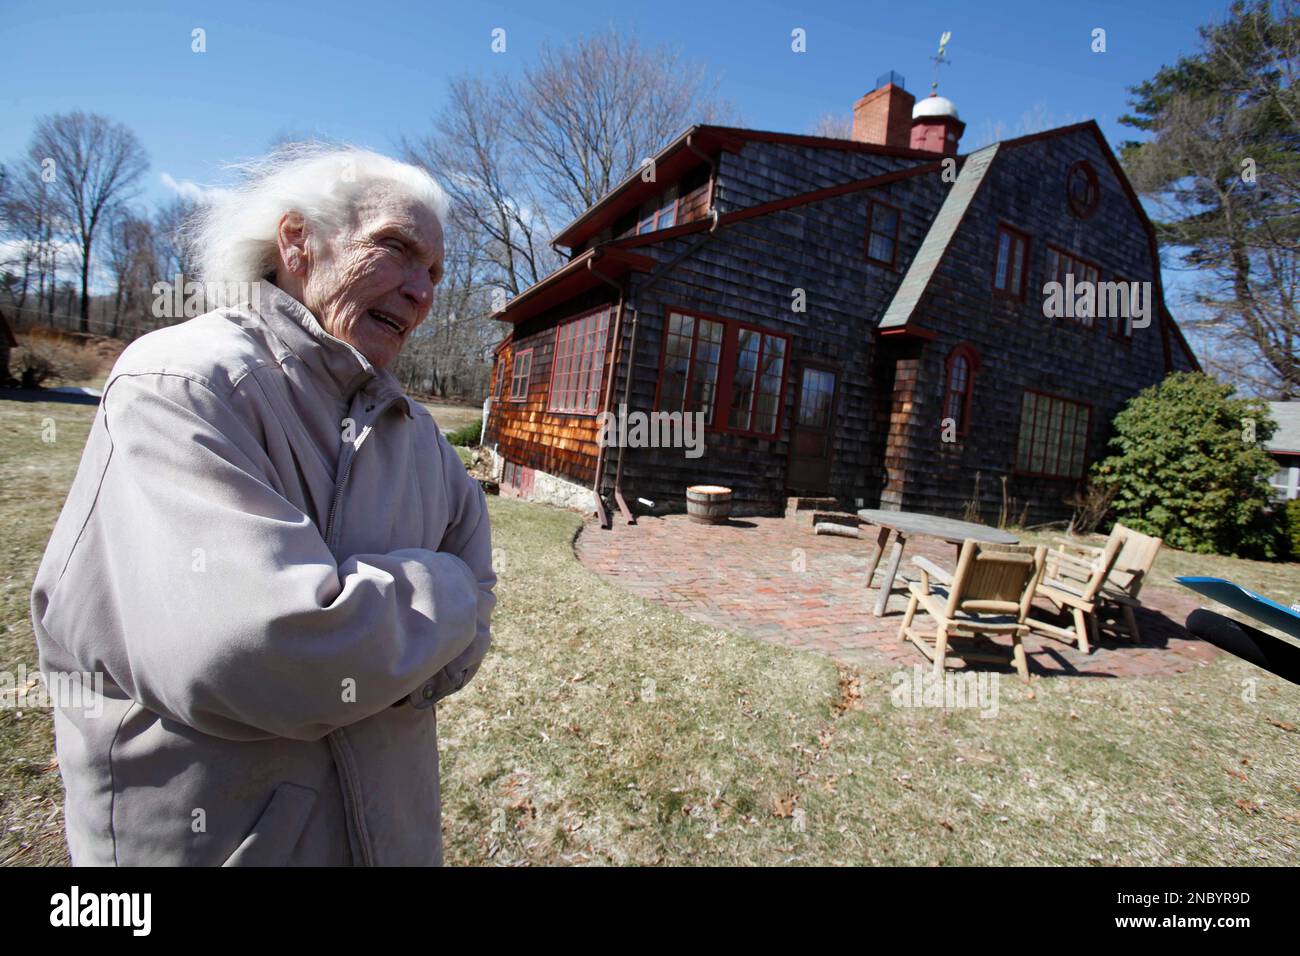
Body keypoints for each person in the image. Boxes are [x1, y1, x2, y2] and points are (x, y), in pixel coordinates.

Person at [30, 143, 496, 865]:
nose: (422, 291)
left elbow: (468, 644)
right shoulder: (183, 384)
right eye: (397, 249)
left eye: (434, 272)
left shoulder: (423, 440)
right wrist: (445, 594)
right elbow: (261, 653)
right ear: (297, 241)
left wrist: (394, 637)